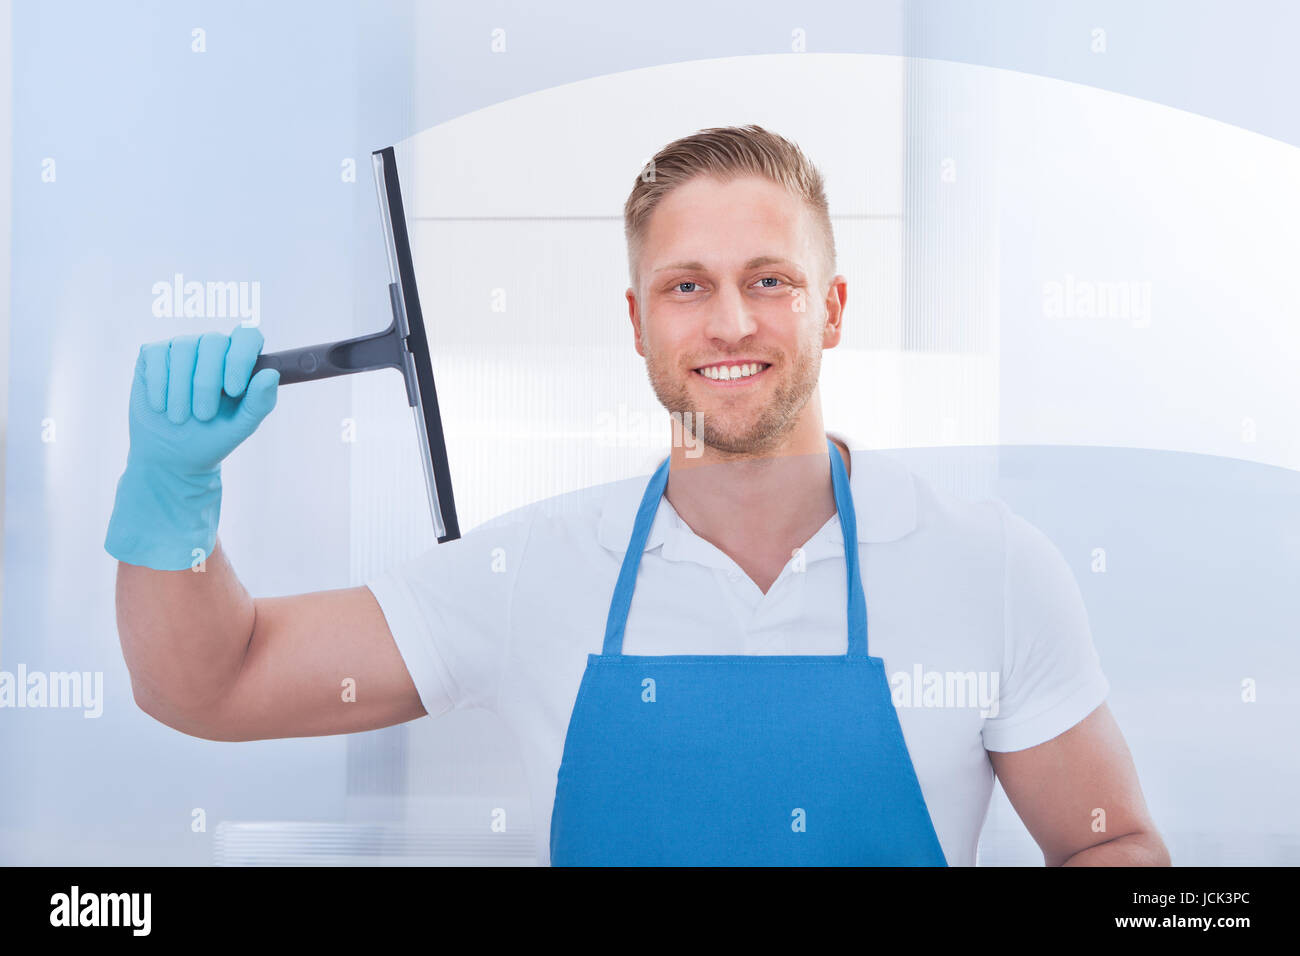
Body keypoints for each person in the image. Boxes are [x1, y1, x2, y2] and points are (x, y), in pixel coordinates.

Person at [106, 124, 1169, 867]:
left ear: (832, 307)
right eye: (686, 286)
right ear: (636, 320)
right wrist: (171, 491)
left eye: (770, 279)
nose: (731, 323)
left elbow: (1110, 843)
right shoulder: (534, 571)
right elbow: (215, 681)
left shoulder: (986, 566)